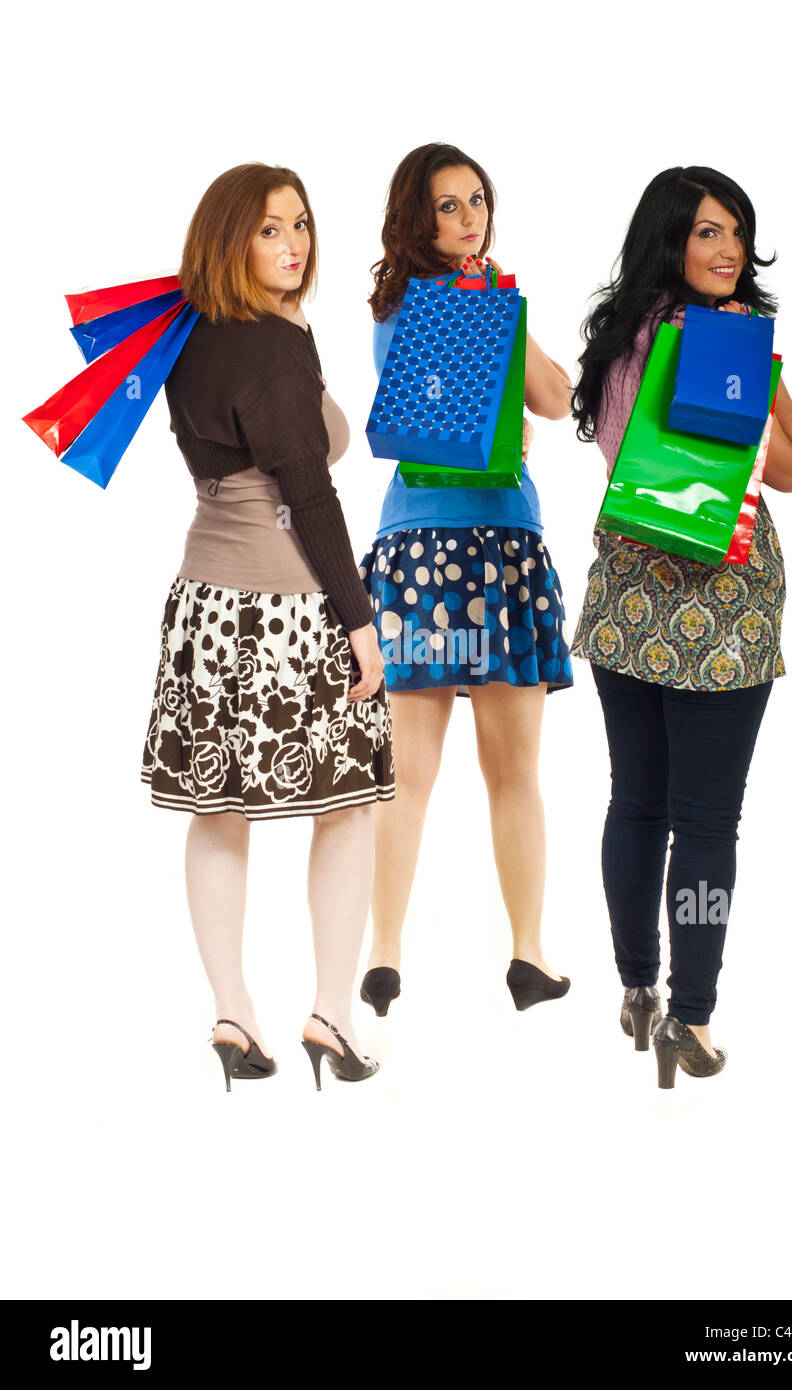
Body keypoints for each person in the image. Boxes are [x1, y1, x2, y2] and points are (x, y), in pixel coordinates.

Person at [140, 163, 394, 1092]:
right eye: (270, 230)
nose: (294, 246)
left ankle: (230, 1010)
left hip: (204, 605)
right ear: (228, 239)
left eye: (301, 227)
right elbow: (310, 494)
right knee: (350, 803)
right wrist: (358, 622)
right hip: (292, 609)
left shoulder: (186, 336)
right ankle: (333, 1009)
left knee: (219, 808)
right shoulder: (276, 348)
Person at [570, 166, 792, 1088]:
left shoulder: (622, 338)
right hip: (720, 604)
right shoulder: (719, 339)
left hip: (627, 597)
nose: (728, 250)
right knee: (707, 823)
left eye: (737, 232)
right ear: (671, 239)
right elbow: (789, 471)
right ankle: (693, 1016)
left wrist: (765, 371)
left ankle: (636, 988)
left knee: (637, 802)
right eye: (707, 232)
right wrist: (763, 373)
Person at [357, 143, 575, 1017]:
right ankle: (527, 953)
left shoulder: (390, 312)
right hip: (500, 549)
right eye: (447, 205)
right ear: (417, 217)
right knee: (513, 771)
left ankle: (384, 954)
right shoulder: (467, 305)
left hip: (416, 557)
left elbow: (544, 401)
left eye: (476, 199)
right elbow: (550, 400)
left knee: (408, 773)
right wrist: (504, 311)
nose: (469, 215)